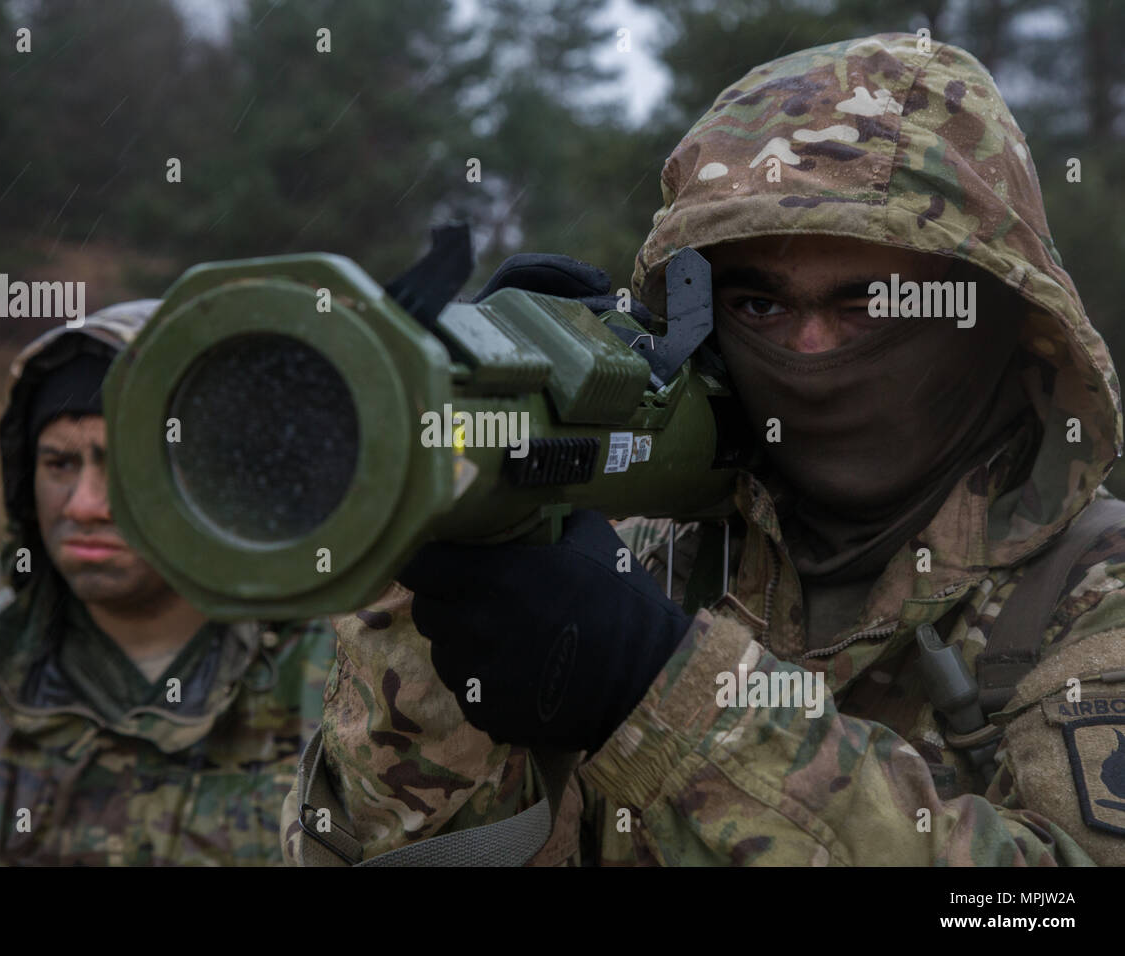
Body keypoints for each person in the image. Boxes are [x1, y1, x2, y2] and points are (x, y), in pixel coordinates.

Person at [285, 33, 1125, 865]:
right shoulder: (632, 560)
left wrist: (670, 694)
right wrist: (461, 521)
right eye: (759, 305)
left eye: (870, 303)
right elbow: (369, 851)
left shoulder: (1094, 593)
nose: (807, 348)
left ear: (994, 317)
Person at [0, 300, 336, 865]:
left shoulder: (330, 685)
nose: (85, 504)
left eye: (123, 466)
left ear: (215, 483)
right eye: (59, 464)